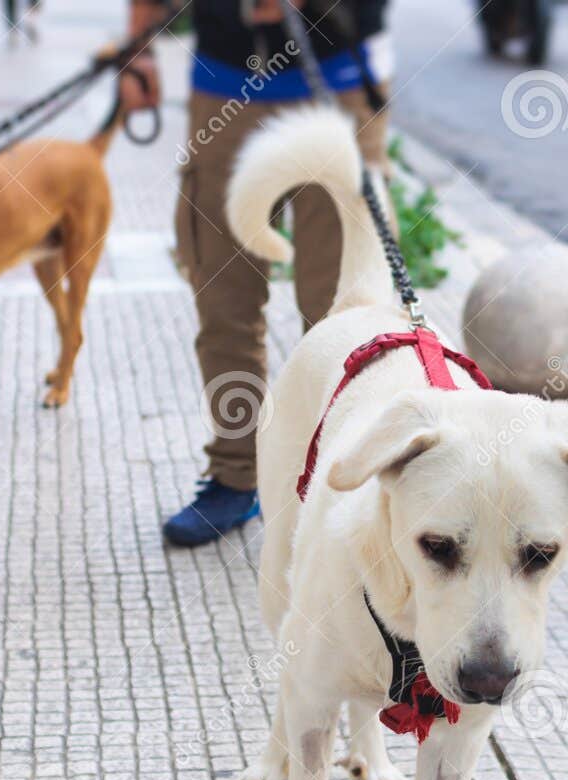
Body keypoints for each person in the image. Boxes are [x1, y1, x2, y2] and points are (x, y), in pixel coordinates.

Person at [123, 1, 394, 548]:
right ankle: (234, 474)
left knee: (343, 313)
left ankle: (340, 484)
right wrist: (138, 56)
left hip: (335, 86)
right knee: (224, 302)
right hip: (226, 91)